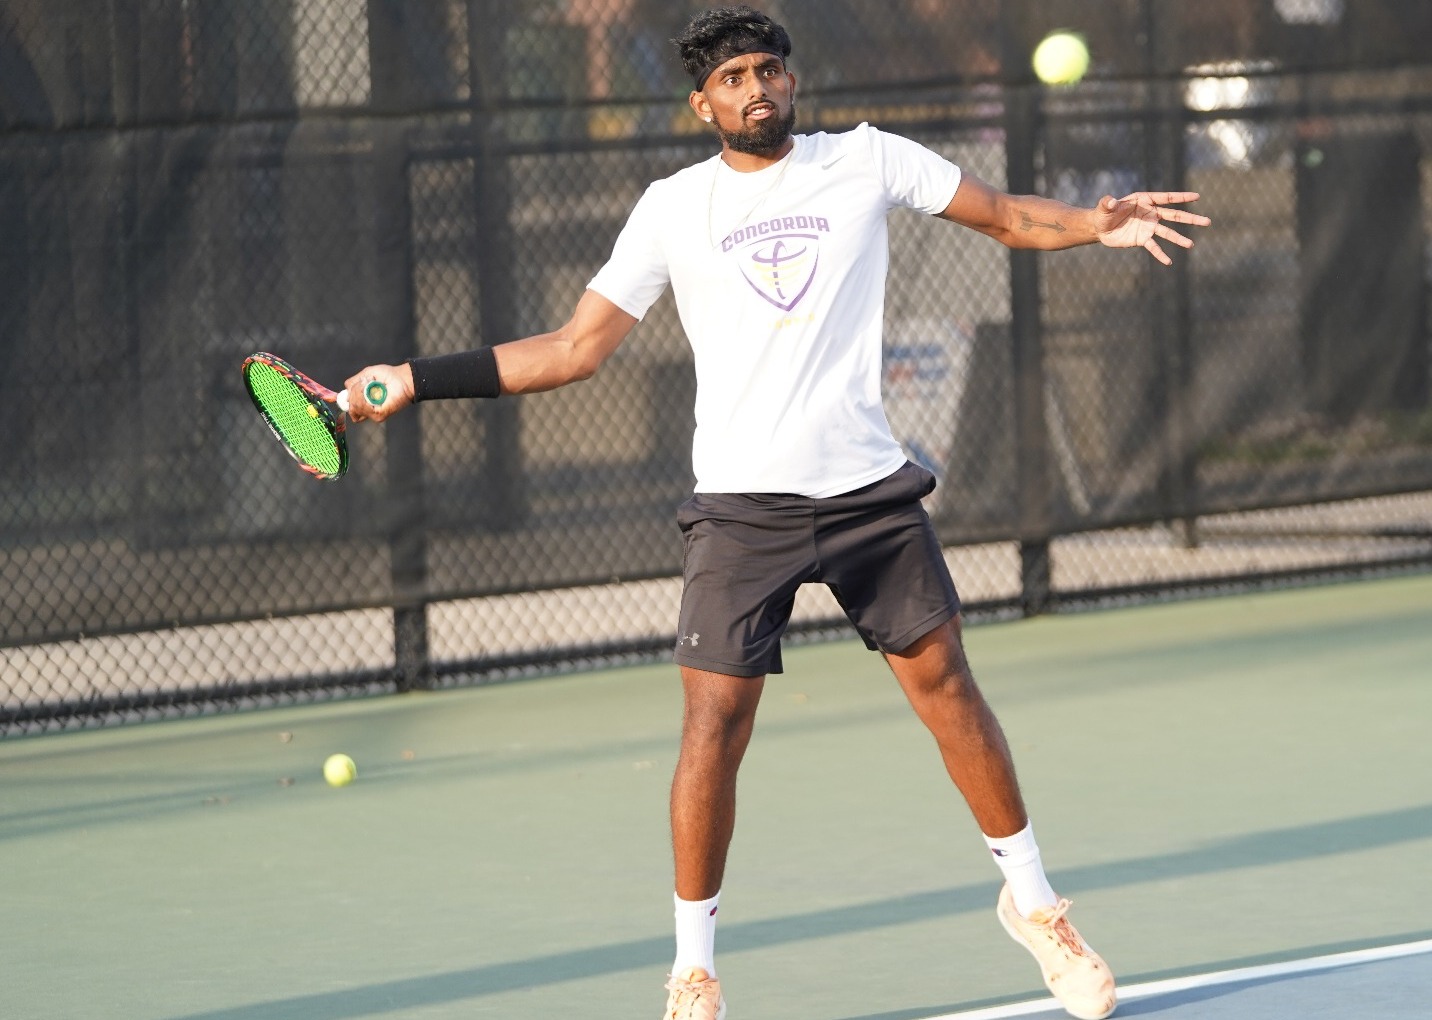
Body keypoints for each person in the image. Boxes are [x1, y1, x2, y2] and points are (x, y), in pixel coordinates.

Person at [341, 7, 1208, 1018]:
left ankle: (1036, 907)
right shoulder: (672, 208)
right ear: (701, 102)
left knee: (950, 693)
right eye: (736, 77)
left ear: (791, 81)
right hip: (741, 509)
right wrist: (412, 377)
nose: (759, 87)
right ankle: (693, 970)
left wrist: (1100, 222)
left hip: (868, 493)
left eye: (771, 69)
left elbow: (1009, 216)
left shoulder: (867, 161)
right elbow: (574, 349)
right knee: (713, 727)